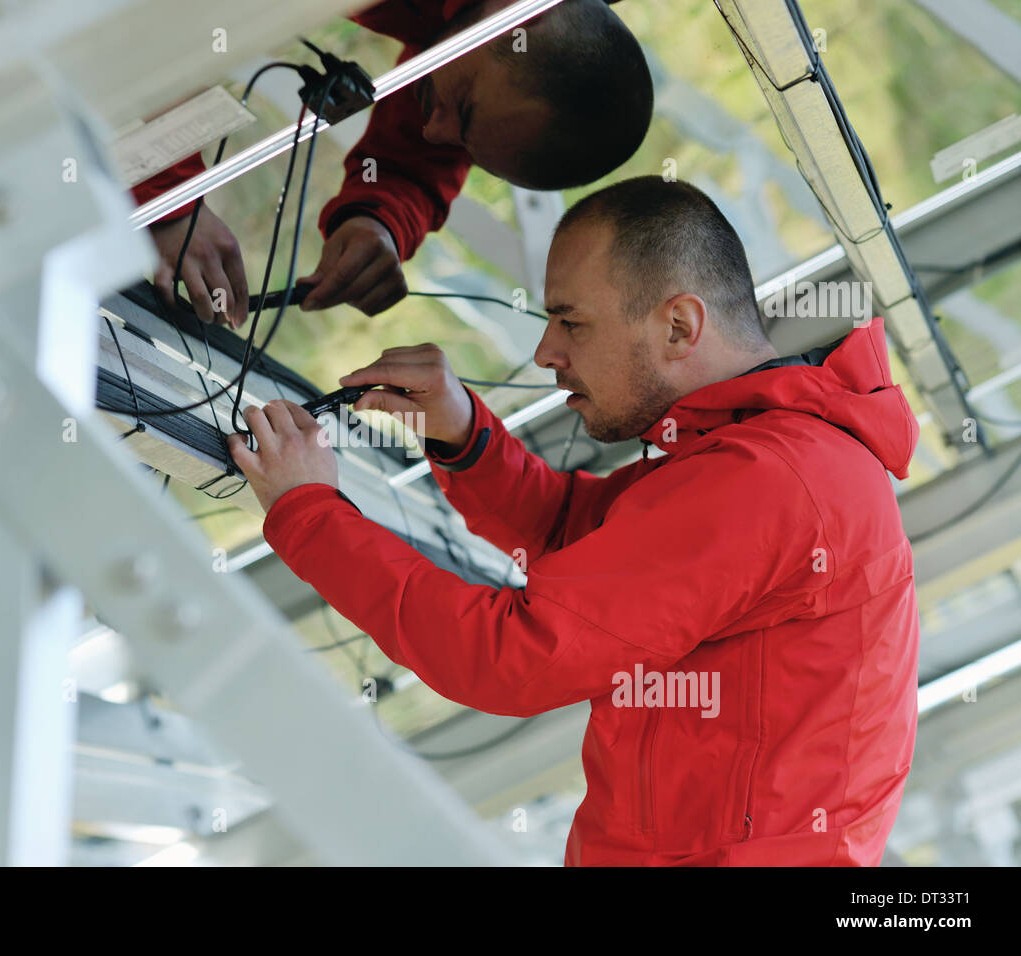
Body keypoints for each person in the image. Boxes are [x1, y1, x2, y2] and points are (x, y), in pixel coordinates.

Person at [226, 176, 920, 866]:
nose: (545, 353)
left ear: (680, 325)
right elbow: (584, 531)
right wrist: (462, 433)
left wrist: (309, 513)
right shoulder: (758, 450)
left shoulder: (771, 479)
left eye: (571, 322)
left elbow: (506, 658)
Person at [137, 0, 652, 326]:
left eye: (466, 144)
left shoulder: (507, 34)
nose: (434, 129)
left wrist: (377, 221)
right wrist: (170, 194)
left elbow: (423, 155)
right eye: (465, 110)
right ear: (516, 14)